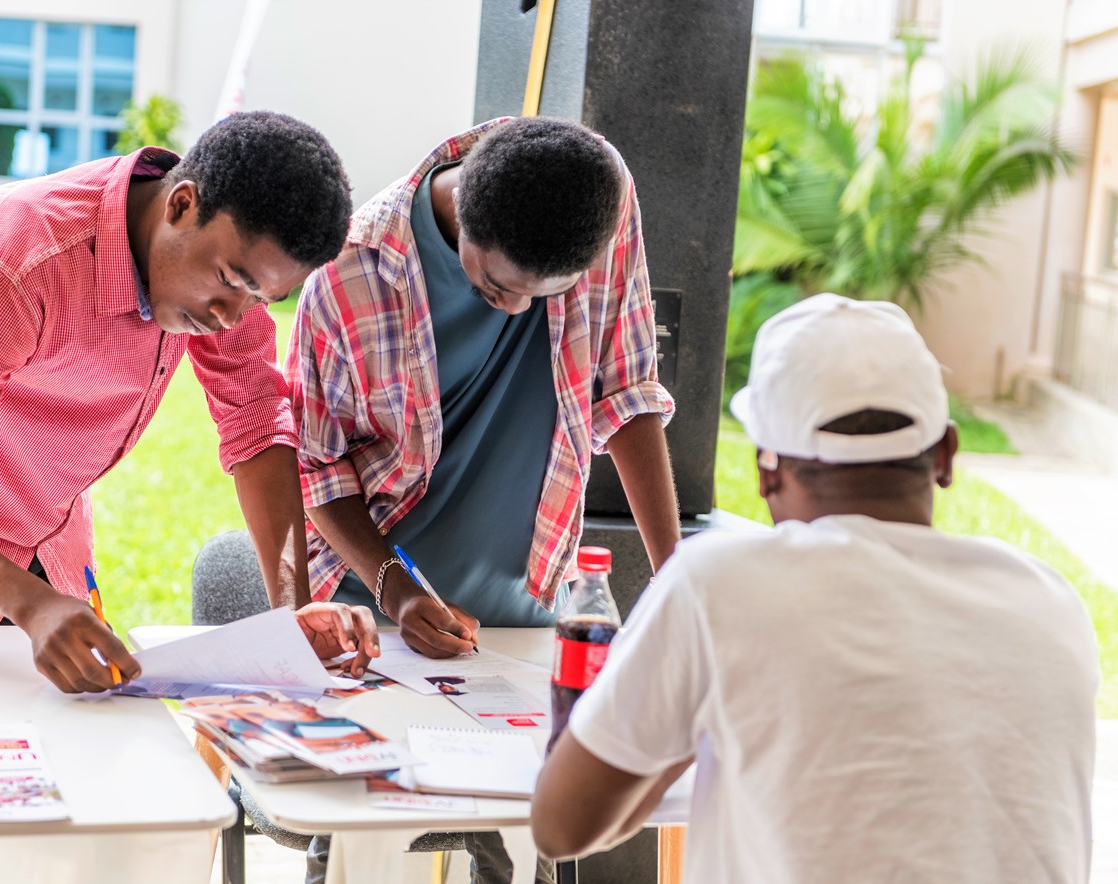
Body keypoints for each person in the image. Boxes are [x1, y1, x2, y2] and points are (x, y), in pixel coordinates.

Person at [531, 294, 1099, 882]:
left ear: (765, 470)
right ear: (947, 455)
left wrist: (686, 710)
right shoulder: (1053, 603)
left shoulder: (721, 588)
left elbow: (560, 825)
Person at [0, 111, 381, 691]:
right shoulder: (19, 260)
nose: (230, 316)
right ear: (181, 205)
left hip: (45, 520)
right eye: (230, 280)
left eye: (260, 299)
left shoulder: (225, 281)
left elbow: (255, 422)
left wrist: (289, 612)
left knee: (76, 726)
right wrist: (31, 605)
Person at [281, 114, 681, 660]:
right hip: (377, 616)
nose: (517, 306)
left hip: (530, 612)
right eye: (496, 285)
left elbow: (627, 388)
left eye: (544, 294)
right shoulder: (349, 276)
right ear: (464, 213)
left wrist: (673, 580)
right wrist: (398, 594)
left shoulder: (595, 199)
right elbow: (318, 470)